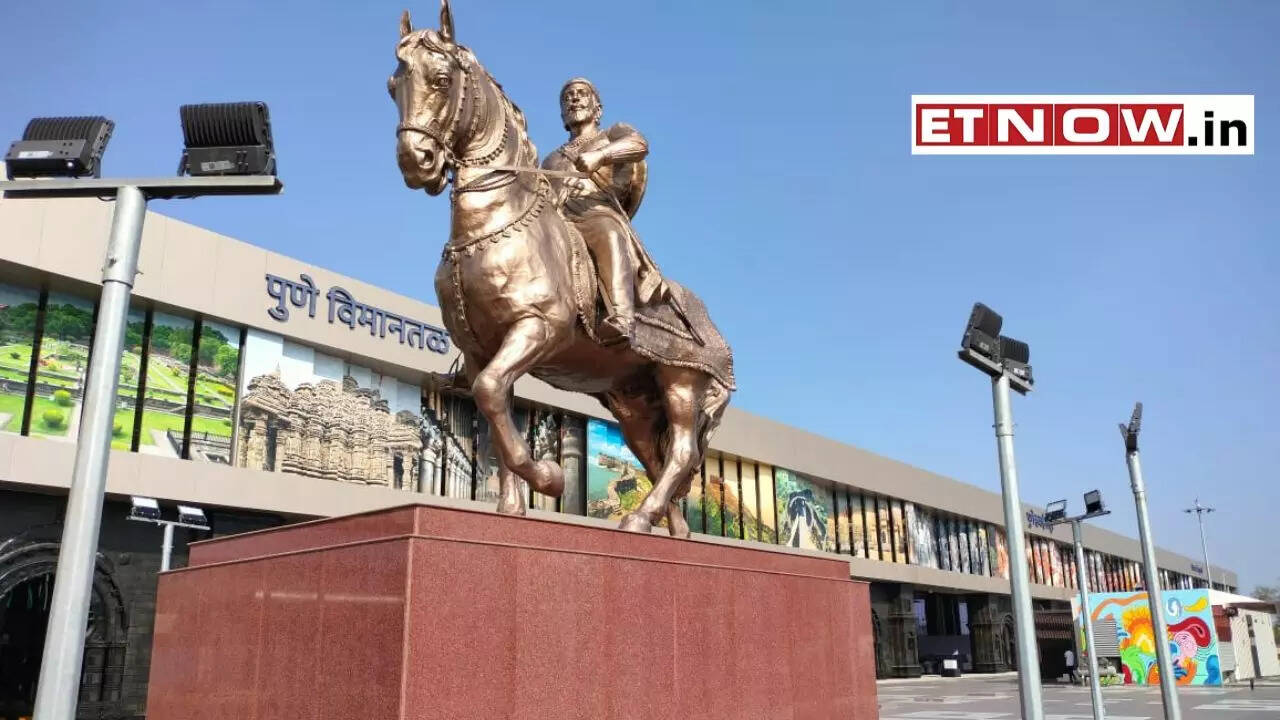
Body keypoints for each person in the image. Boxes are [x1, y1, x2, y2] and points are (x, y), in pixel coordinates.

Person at [541, 77, 664, 346]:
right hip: (556, 217)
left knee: (608, 232)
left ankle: (621, 316)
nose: (574, 99)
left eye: (581, 94)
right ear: (562, 112)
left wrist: (601, 156)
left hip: (593, 211)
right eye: (567, 97)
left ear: (597, 107)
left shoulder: (612, 133)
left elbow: (640, 145)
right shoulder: (550, 159)